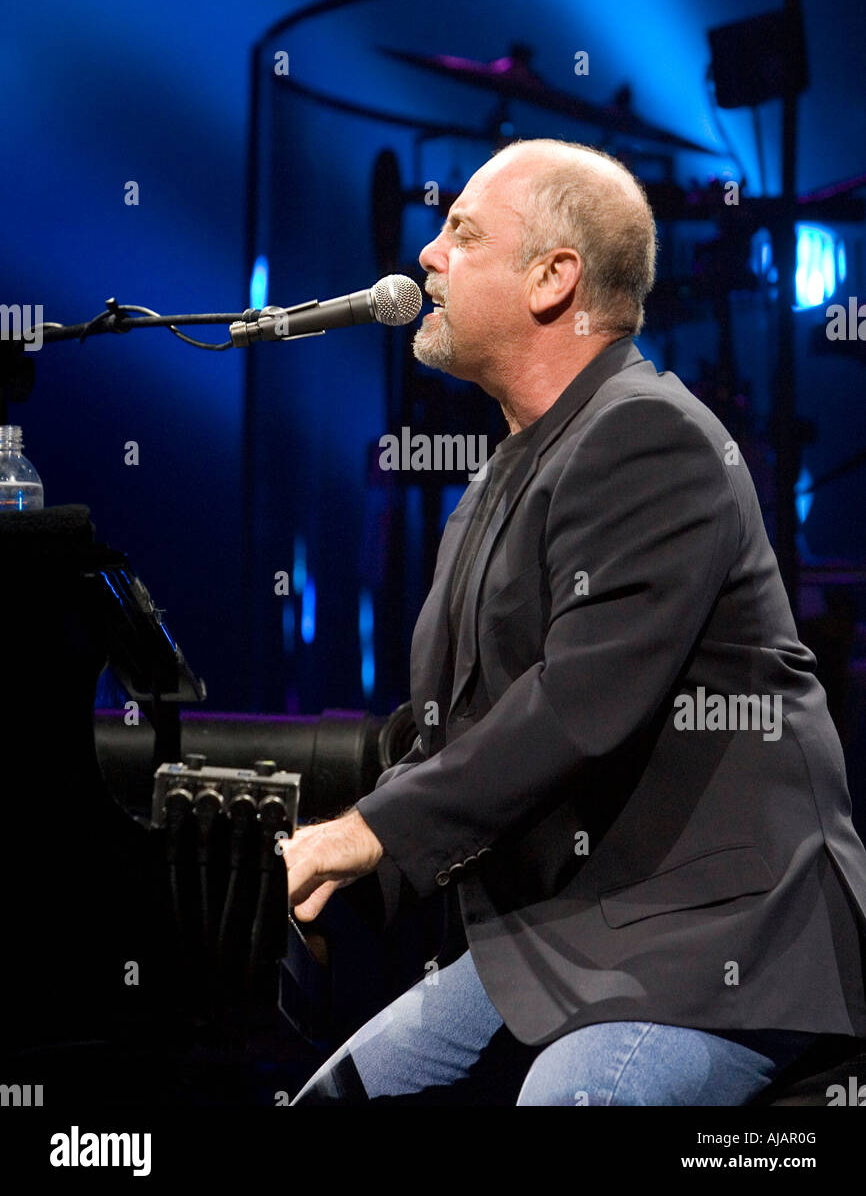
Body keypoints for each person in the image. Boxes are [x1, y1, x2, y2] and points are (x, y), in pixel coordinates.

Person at [281, 138, 866, 1105]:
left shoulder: (651, 438)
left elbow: (573, 708)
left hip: (711, 936)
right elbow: (452, 737)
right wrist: (332, 866)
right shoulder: (496, 480)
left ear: (554, 278)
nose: (426, 255)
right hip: (567, 934)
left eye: (461, 233)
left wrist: (371, 833)